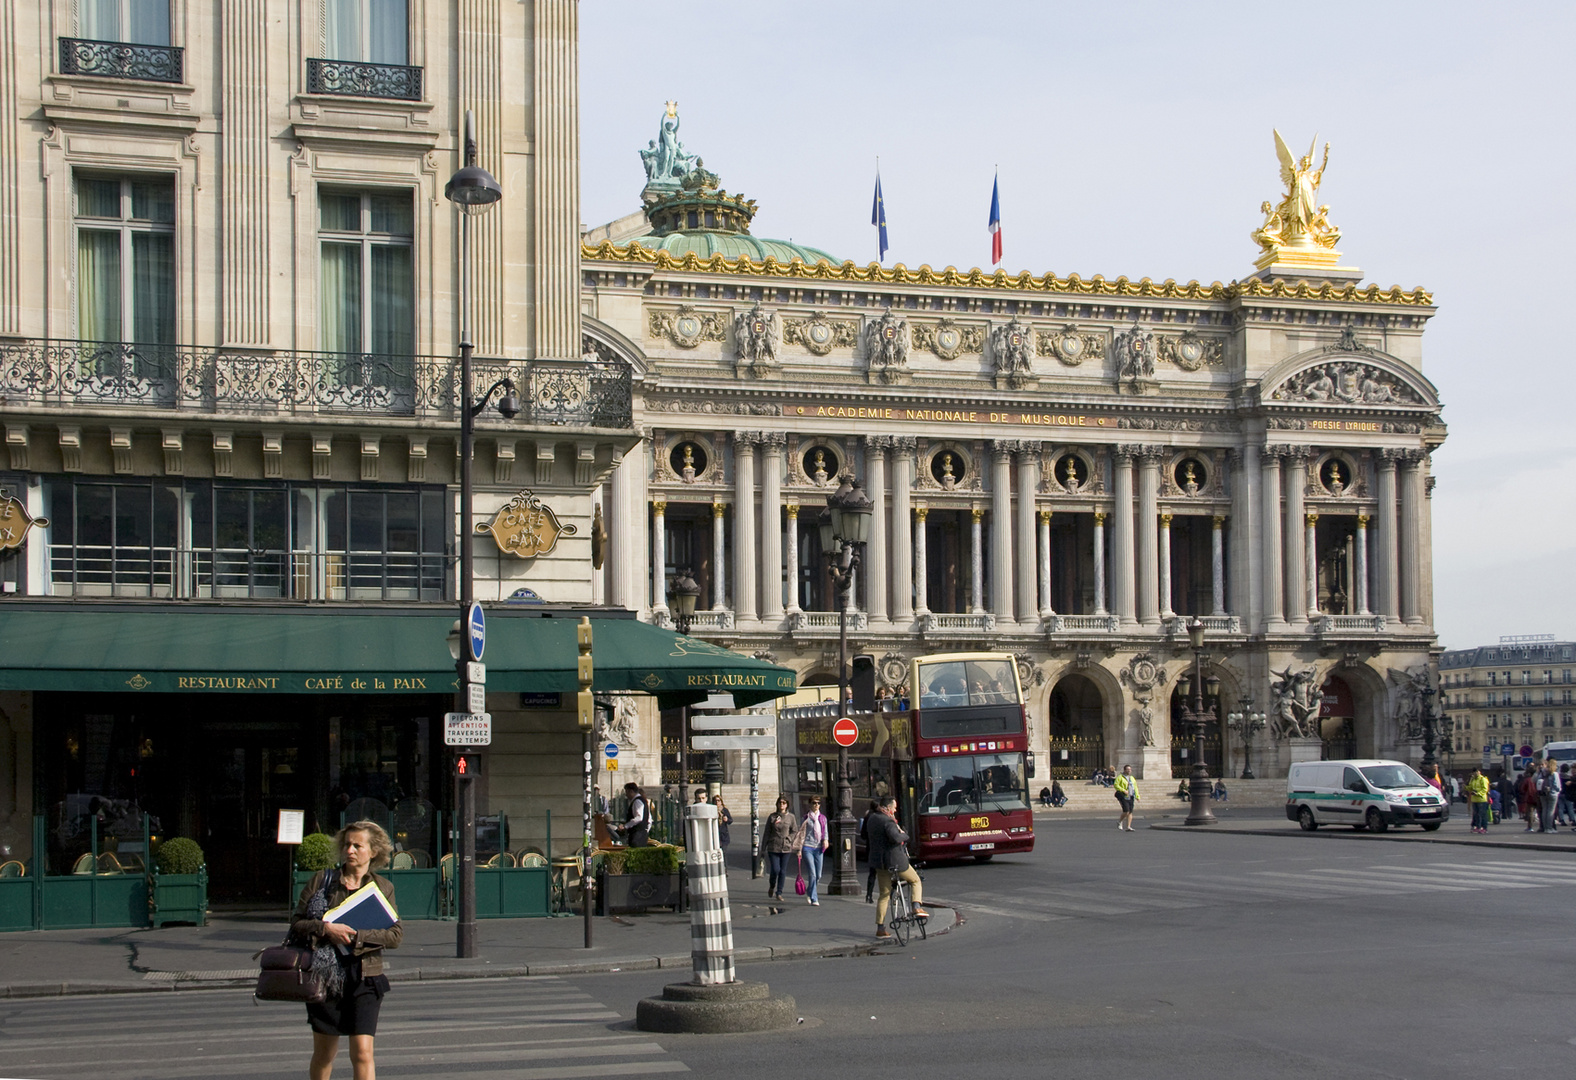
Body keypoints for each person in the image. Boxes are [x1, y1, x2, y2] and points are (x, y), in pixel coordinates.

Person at [292, 820, 403, 1080]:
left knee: (363, 1052)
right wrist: (326, 929)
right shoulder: (322, 880)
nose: (350, 850)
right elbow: (296, 923)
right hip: (326, 973)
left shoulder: (382, 888)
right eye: (347, 844)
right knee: (325, 1053)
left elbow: (395, 935)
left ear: (373, 851)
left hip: (365, 975)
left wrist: (357, 936)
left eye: (357, 845)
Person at [866, 796, 926, 938]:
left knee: (884, 895)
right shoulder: (888, 821)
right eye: (894, 807)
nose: (895, 809)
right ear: (887, 808)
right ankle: (916, 906)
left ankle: (880, 928)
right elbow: (896, 838)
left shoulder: (872, 818)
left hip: (880, 864)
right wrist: (904, 835)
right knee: (915, 880)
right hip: (895, 861)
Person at [761, 796, 798, 902]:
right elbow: (767, 832)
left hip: (785, 847)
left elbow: (794, 830)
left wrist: (790, 838)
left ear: (787, 805)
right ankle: (772, 885)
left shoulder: (791, 817)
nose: (782, 805)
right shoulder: (772, 817)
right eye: (780, 803)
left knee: (782, 871)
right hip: (773, 846)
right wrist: (763, 848)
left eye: (784, 803)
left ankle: (779, 892)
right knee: (775, 869)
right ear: (777, 804)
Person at [797, 796, 829, 906]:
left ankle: (809, 891)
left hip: (819, 848)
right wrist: (799, 849)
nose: (816, 805)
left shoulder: (823, 818)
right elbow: (801, 834)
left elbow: (825, 831)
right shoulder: (806, 818)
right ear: (810, 804)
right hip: (807, 847)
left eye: (818, 803)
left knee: (818, 875)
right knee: (813, 873)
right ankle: (814, 898)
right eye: (814, 803)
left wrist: (826, 840)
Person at [616, 782, 651, 848]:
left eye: (627, 792)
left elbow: (639, 818)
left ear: (631, 791)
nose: (626, 795)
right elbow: (649, 819)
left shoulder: (637, 801)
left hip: (637, 834)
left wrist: (626, 826)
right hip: (642, 832)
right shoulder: (642, 800)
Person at [1538, 760, 1562, 833]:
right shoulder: (1554, 773)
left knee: (1544, 810)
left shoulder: (1543, 772)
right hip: (1552, 793)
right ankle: (1549, 828)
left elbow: (1538, 781)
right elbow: (1556, 786)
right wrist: (1559, 790)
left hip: (1543, 793)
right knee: (1551, 811)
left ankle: (1545, 827)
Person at [1466, 766, 1491, 834]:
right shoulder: (1472, 779)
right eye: (1474, 772)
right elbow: (1470, 787)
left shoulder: (1483, 779)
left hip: (1481, 799)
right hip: (1474, 800)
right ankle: (1478, 827)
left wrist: (1478, 793)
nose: (1475, 774)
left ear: (1479, 772)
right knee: (1476, 814)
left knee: (1482, 814)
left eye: (1476, 772)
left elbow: (1485, 789)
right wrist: (1466, 787)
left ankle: (1484, 828)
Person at [1114, 765, 1139, 832]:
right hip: (1123, 796)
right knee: (1126, 811)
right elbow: (1116, 785)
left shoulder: (1132, 778)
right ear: (1124, 770)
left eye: (1130, 769)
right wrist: (1123, 790)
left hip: (1131, 796)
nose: (1129, 770)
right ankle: (1119, 821)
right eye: (1128, 769)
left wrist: (1137, 796)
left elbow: (1135, 787)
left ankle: (1128, 826)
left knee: (1130, 812)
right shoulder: (1120, 777)